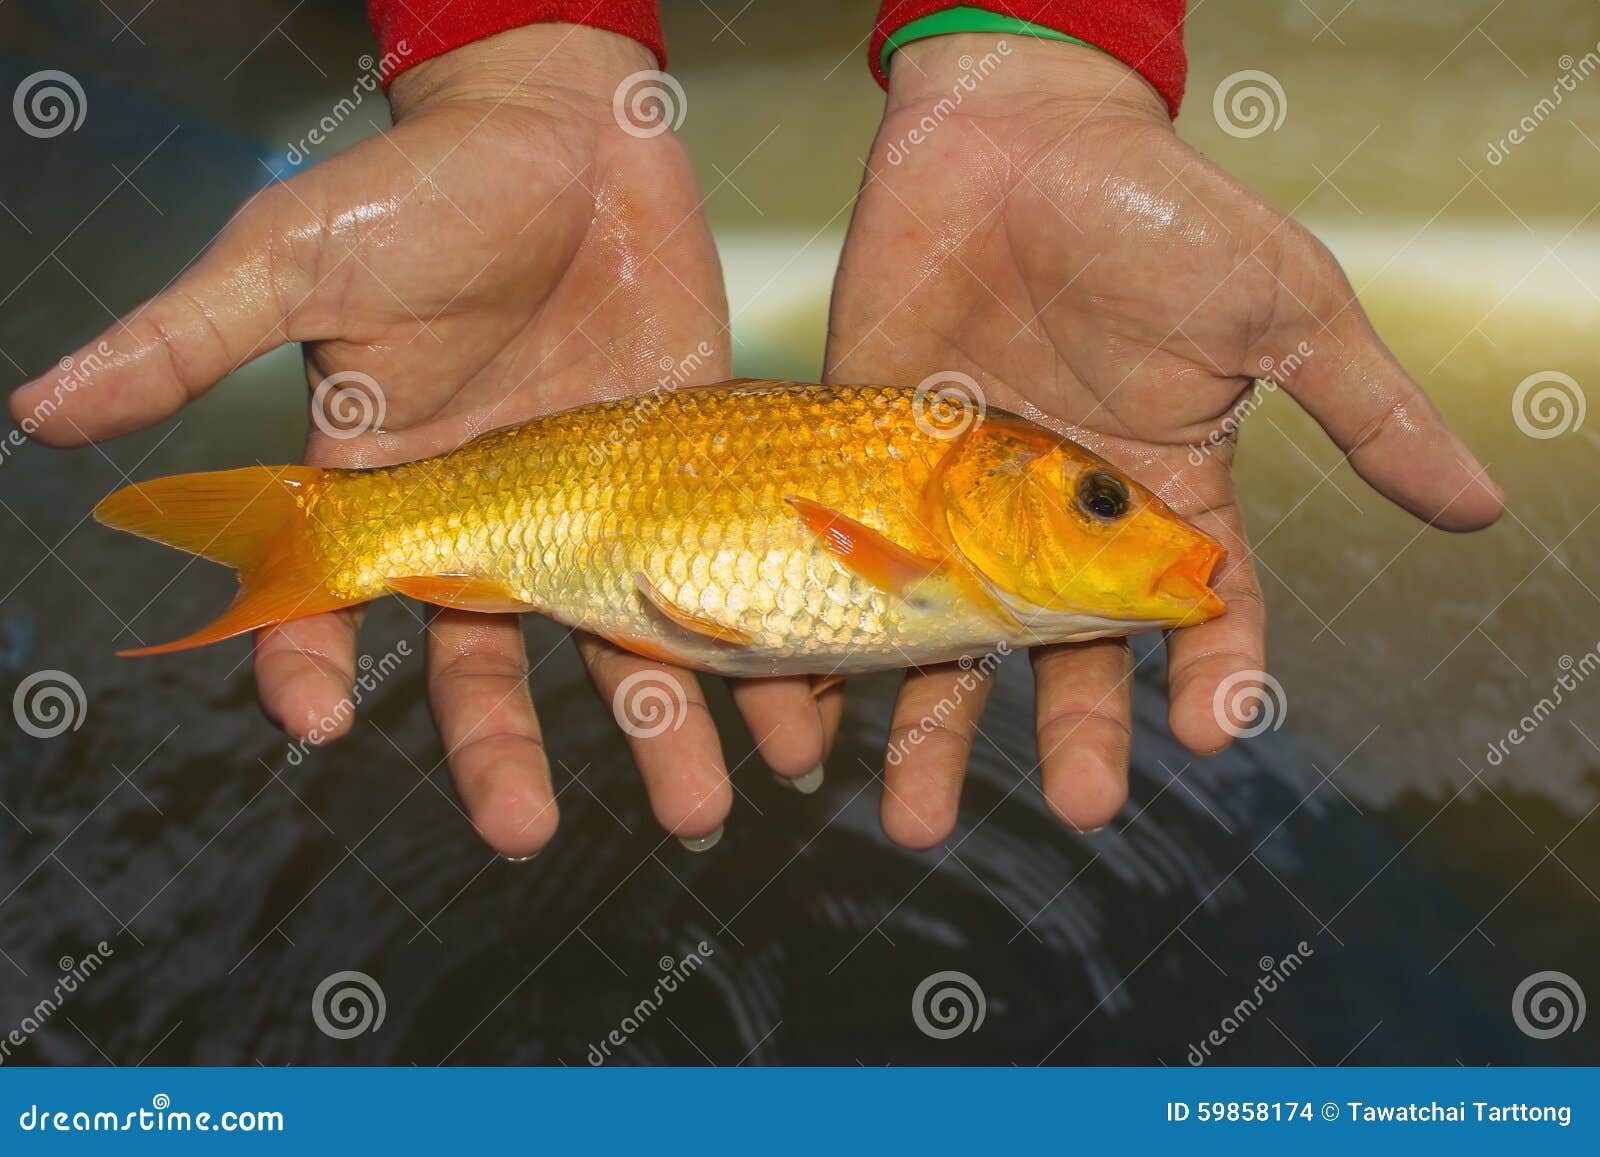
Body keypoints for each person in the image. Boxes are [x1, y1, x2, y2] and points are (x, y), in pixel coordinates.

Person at [9, 2, 1502, 858]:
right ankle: (331, 538)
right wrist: (512, 45)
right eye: (1101, 503)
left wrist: (1053, 39)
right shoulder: (936, 545)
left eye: (1104, 505)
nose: (1149, 534)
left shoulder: (960, 554)